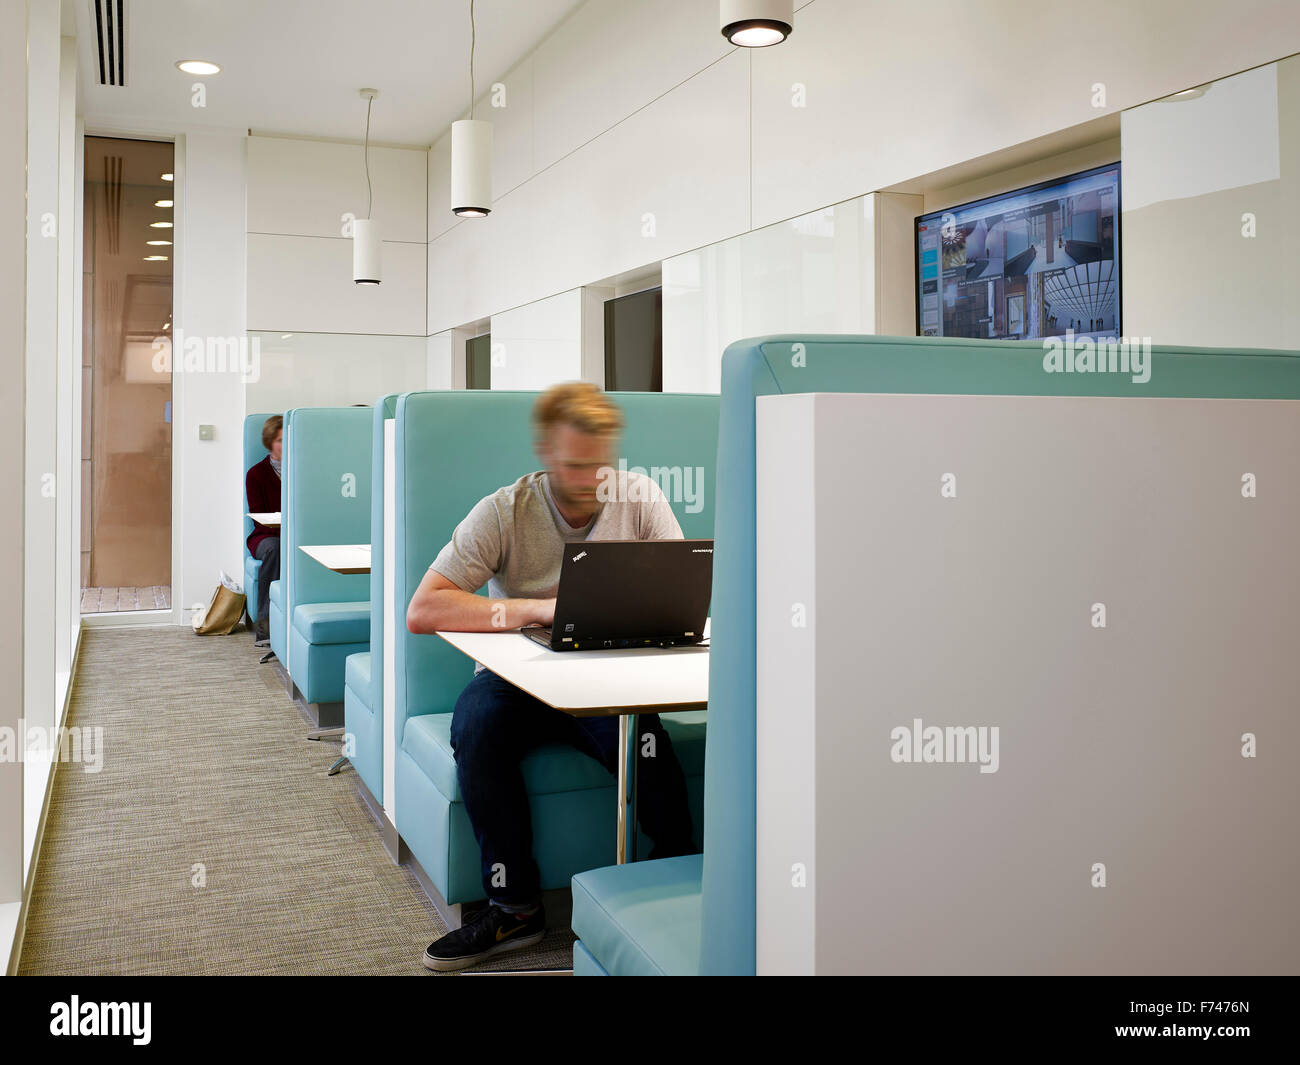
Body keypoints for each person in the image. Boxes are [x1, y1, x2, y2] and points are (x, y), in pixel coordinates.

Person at [407, 382, 697, 971]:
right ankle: (514, 908)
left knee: (644, 741)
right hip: (518, 677)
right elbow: (426, 609)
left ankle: (676, 888)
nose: (592, 479)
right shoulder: (504, 510)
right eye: (575, 465)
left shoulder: (640, 498)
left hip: (608, 674)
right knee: (477, 725)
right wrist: (539, 609)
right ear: (545, 453)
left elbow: (681, 590)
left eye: (600, 464)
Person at [246, 415, 283, 646]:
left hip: (293, 535)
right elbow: (260, 521)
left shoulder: (304, 472)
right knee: (275, 549)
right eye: (280, 440)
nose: (285, 445)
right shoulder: (256, 474)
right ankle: (265, 629)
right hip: (264, 537)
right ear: (270, 443)